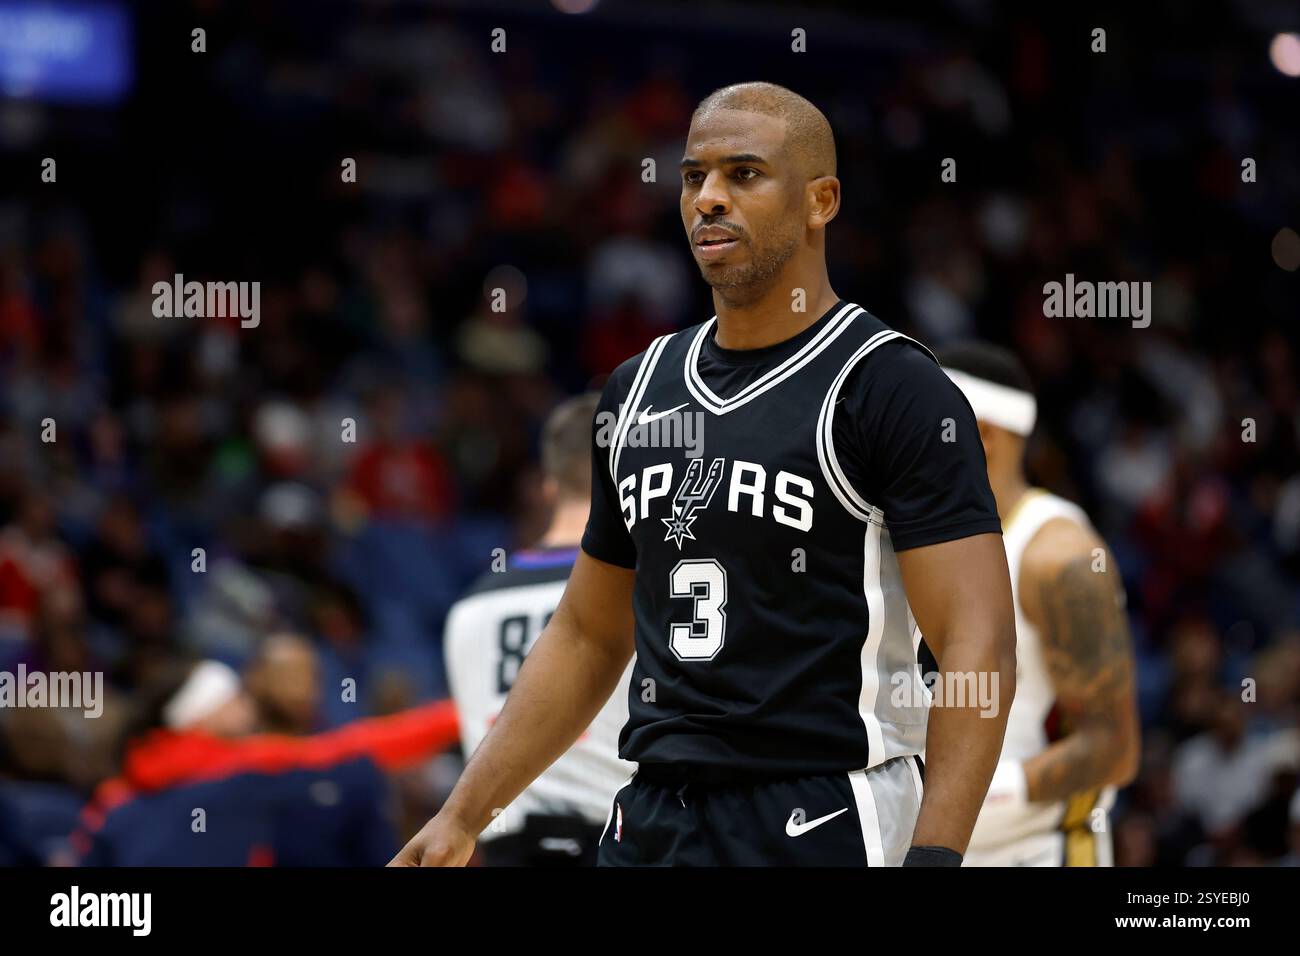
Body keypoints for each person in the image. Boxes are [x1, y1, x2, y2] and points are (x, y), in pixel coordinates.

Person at [393, 81, 1016, 867]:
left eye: (743, 175)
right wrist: (463, 814)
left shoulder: (889, 386)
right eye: (694, 178)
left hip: (823, 808)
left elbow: (977, 641)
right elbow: (588, 633)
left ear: (821, 200)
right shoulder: (636, 387)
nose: (709, 199)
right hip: (653, 811)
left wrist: (937, 856)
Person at [937, 342, 1140, 866]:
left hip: (1036, 851)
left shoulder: (1058, 558)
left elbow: (1115, 747)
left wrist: (977, 795)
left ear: (983, 433)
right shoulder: (909, 537)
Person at [444, 393, 635, 865]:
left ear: (548, 486)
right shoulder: (645, 589)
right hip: (623, 845)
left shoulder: (468, 607)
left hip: (506, 851)